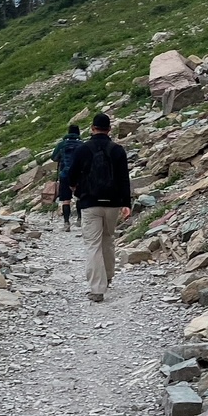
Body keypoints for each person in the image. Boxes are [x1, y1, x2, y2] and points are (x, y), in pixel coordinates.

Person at [66, 113, 132, 302]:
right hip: (113, 203)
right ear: (109, 129)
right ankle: (109, 276)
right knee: (108, 239)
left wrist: (74, 188)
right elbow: (123, 179)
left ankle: (97, 289)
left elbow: (71, 175)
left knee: (93, 245)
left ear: (93, 128)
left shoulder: (83, 149)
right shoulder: (118, 150)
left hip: (90, 203)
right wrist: (126, 203)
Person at [52, 123, 83, 232]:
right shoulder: (82, 144)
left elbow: (54, 158)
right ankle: (79, 219)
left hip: (65, 174)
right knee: (79, 197)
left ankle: (66, 223)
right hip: (79, 175)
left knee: (66, 200)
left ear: (68, 132)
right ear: (78, 133)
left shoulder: (62, 144)